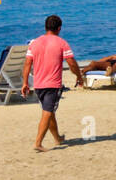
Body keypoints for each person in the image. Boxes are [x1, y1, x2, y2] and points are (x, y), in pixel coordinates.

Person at [22, 15, 84, 152]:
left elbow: (27, 63)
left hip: (38, 84)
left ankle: (58, 138)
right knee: (48, 112)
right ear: (59, 28)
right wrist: (79, 76)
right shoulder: (62, 43)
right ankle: (38, 143)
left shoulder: (34, 43)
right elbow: (71, 63)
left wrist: (25, 82)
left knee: (49, 112)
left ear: (45, 27)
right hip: (53, 84)